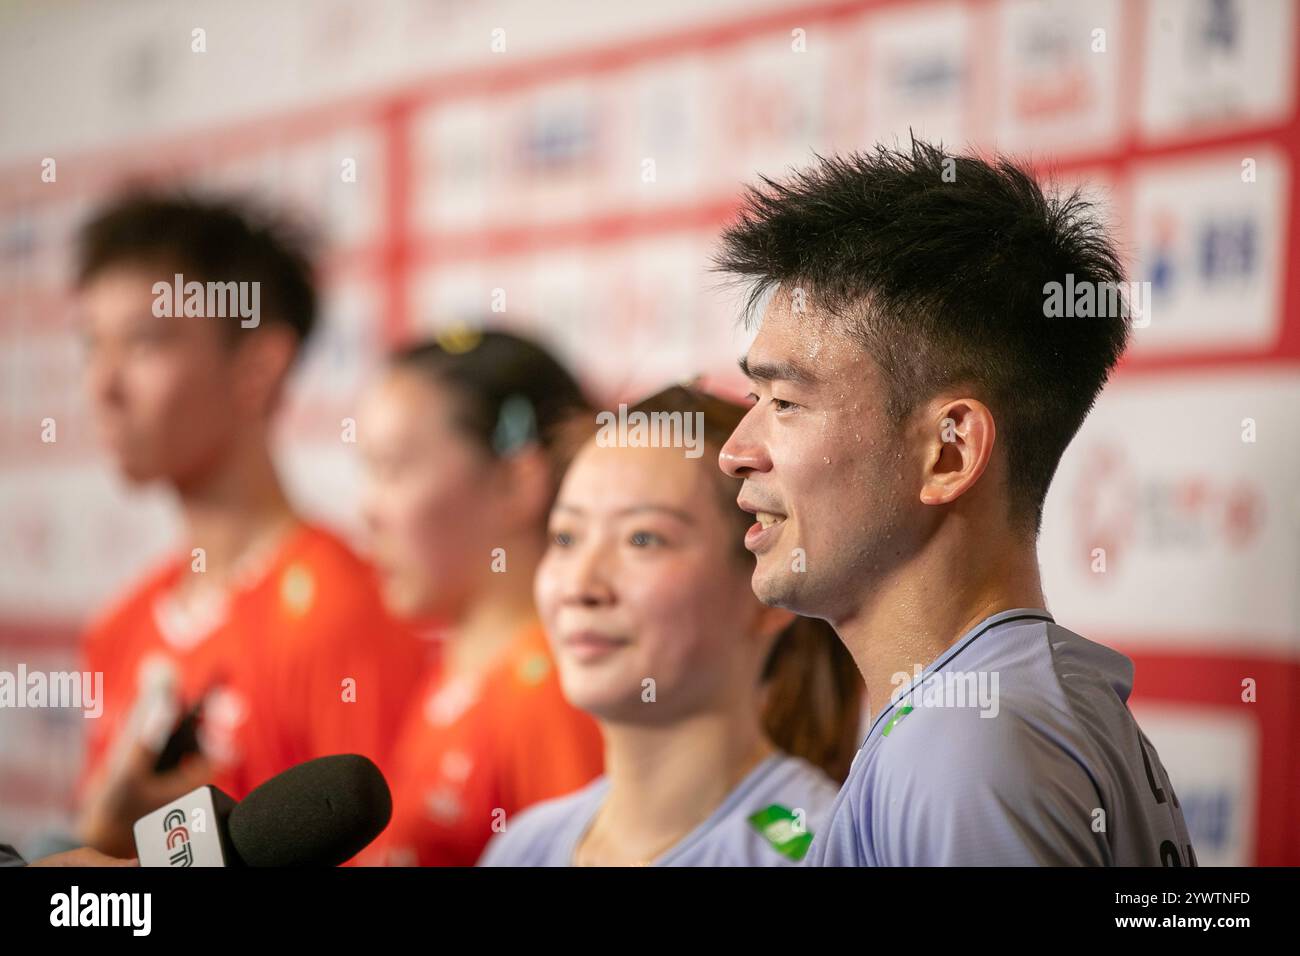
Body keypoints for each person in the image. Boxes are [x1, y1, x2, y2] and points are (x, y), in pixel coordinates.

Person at [714, 139, 1194, 866]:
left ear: (949, 451)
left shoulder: (970, 748)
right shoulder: (992, 715)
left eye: (785, 401)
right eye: (755, 396)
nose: (736, 448)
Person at [74, 192, 424, 858]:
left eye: (145, 343)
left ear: (259, 367)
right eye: (92, 345)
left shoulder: (350, 614)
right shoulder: (117, 629)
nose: (102, 385)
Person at [480, 386, 862, 866]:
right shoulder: (523, 848)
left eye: (643, 539)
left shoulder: (819, 849)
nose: (581, 585)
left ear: (770, 589)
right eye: (565, 536)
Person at [354, 330, 605, 866]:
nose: (368, 510)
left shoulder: (550, 690)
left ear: (516, 483)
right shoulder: (458, 671)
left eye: (394, 468)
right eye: (368, 470)